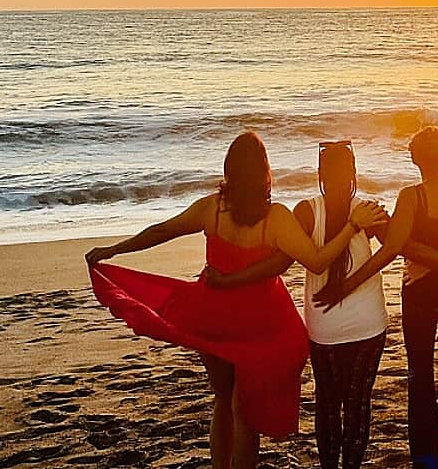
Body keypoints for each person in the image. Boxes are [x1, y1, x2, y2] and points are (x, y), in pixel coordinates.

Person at [84, 132, 387, 469]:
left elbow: (161, 231)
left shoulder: (212, 209)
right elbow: (316, 261)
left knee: (223, 400)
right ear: (265, 173)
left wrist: (114, 249)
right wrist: (351, 227)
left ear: (228, 170)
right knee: (245, 412)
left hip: (212, 316)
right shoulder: (276, 218)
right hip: (258, 323)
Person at [204, 140, 389, 469]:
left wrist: (227, 278)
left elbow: (278, 264)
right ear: (354, 173)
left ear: (319, 174)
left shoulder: (307, 211)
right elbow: (398, 248)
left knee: (329, 406)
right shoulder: (366, 212)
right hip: (368, 326)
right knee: (358, 407)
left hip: (324, 330)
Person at [314, 126, 438, 469]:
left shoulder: (411, 196)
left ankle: (427, 461)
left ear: (413, 160)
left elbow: (392, 250)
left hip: (419, 296)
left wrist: (348, 284)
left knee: (420, 376)